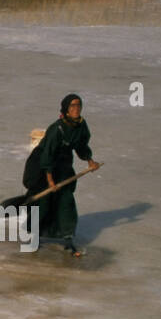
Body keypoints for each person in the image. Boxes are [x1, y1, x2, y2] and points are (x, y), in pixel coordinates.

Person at [22, 93, 101, 256]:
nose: (76, 109)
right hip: (42, 165)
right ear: (65, 109)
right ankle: (34, 238)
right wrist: (50, 180)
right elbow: (47, 155)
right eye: (72, 106)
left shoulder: (81, 125)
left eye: (78, 105)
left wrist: (90, 161)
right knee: (43, 202)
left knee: (66, 200)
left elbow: (81, 146)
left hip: (63, 164)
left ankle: (68, 240)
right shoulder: (56, 129)